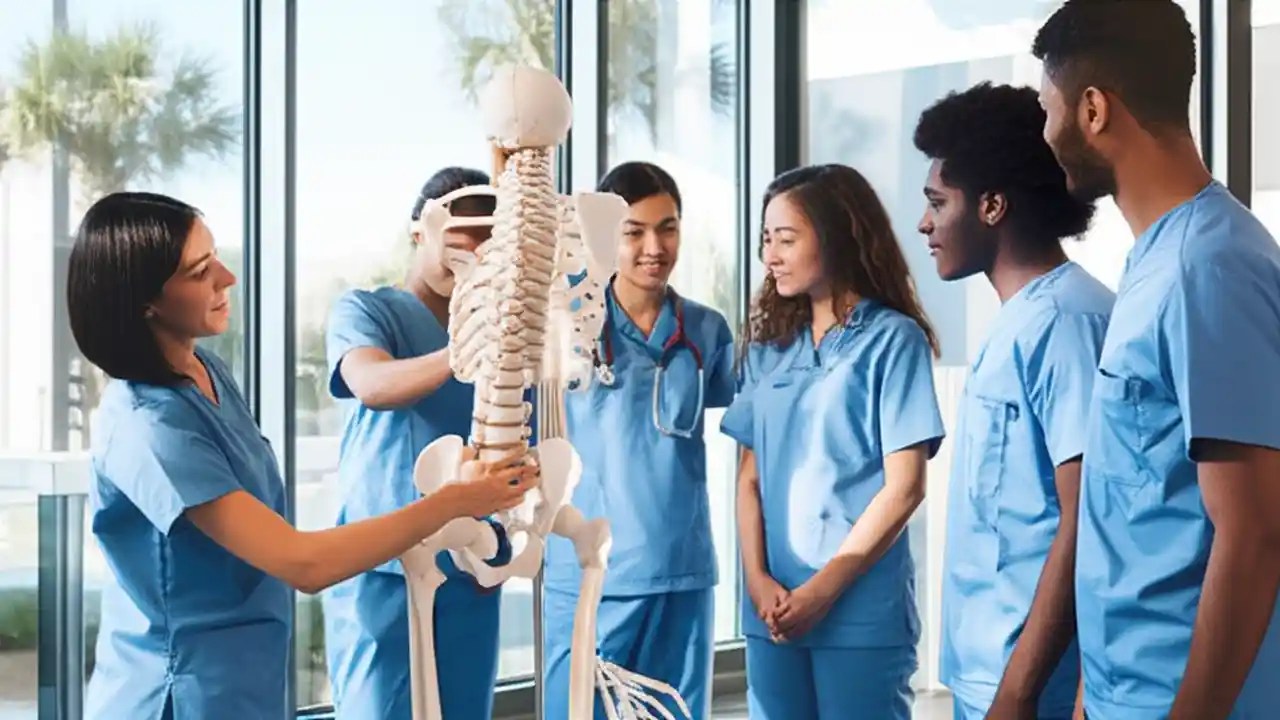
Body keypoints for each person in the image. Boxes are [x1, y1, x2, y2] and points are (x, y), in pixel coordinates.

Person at [67, 191, 535, 720]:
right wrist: (455, 501)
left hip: (247, 676)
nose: (227, 277)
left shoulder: (206, 373)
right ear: (144, 301)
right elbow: (302, 563)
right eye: (200, 272)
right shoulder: (147, 427)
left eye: (215, 255)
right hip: (178, 692)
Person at [1034, 2, 1280, 718]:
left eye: (1049, 111)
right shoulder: (1154, 258)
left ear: (1092, 109)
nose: (1045, 135)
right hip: (1125, 692)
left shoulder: (1212, 266)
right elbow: (1138, 509)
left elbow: (1255, 531)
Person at [913, 81, 1111, 720]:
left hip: (1034, 688)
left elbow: (1084, 516)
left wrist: (1020, 690)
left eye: (937, 203)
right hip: (985, 677)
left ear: (993, 205)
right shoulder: (1016, 323)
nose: (924, 224)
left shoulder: (1069, 322)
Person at [720, 163, 946, 720]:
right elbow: (748, 478)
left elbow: (905, 488)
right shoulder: (768, 346)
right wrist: (756, 579)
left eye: (787, 239)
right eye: (766, 239)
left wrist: (820, 593)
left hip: (860, 616)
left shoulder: (893, 341)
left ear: (839, 234)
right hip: (772, 614)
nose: (770, 255)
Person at [322, 166, 525, 719]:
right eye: (460, 245)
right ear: (420, 232)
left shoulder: (505, 337)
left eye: (489, 248)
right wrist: (460, 351)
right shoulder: (367, 311)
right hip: (382, 572)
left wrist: (501, 548)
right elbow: (372, 383)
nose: (473, 262)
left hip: (470, 567)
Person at [542, 161, 736, 719]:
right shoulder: (570, 325)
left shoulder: (705, 331)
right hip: (588, 572)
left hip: (682, 569)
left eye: (667, 228)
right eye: (634, 232)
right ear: (609, 238)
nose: (654, 246)